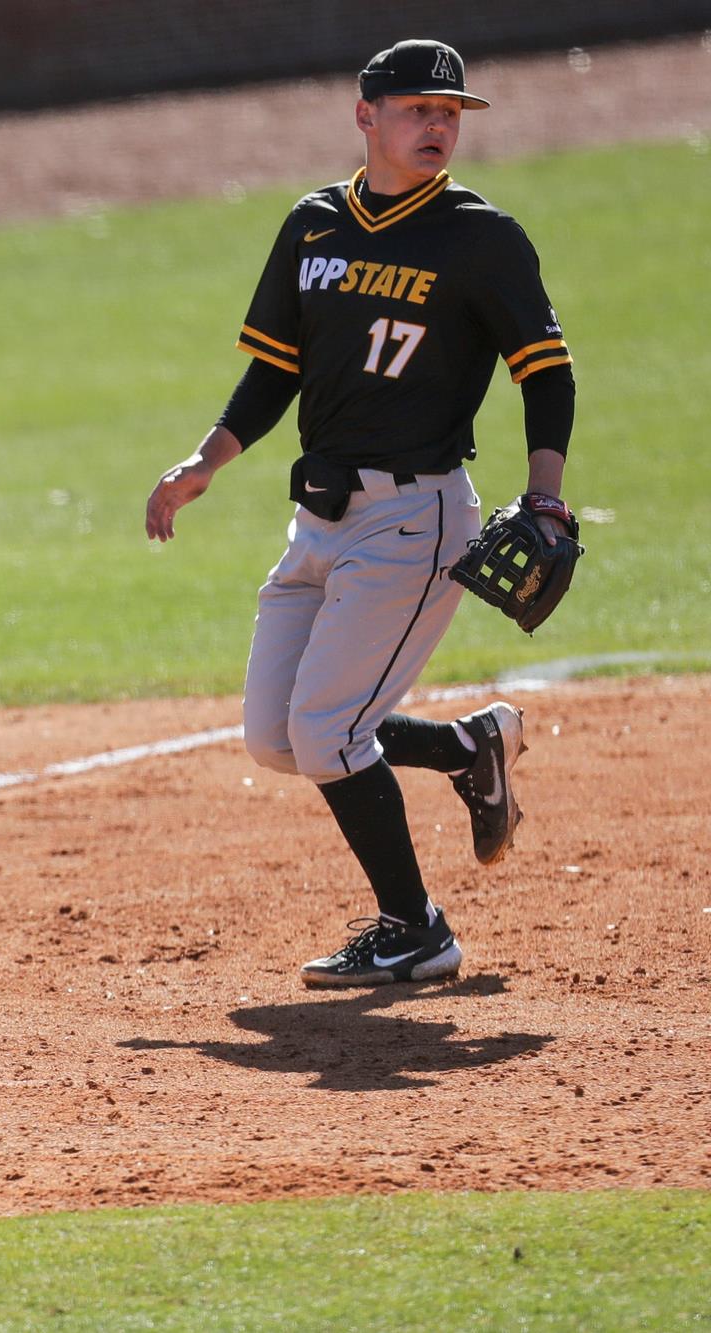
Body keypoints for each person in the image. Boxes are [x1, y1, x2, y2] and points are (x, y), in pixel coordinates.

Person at [142, 40, 575, 988]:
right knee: (277, 737)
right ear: (365, 115)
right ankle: (468, 747)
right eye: (418, 109)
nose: (438, 126)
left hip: (416, 519)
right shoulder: (313, 226)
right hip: (320, 520)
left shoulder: (481, 237)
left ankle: (416, 929)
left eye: (450, 113)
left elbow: (546, 374)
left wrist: (545, 493)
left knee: (330, 733)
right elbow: (275, 369)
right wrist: (206, 460)